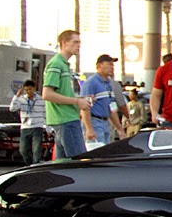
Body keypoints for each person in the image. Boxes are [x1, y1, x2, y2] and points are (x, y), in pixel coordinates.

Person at [42, 29, 91, 159]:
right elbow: (47, 94)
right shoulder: (56, 64)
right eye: (75, 42)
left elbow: (61, 93)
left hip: (65, 120)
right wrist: (77, 102)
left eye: (79, 42)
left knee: (63, 164)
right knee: (78, 162)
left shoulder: (63, 65)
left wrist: (81, 100)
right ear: (64, 43)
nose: (78, 45)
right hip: (66, 120)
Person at [80, 54, 126, 146]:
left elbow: (112, 109)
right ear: (99, 66)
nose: (111, 67)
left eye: (112, 65)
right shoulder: (91, 83)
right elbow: (85, 107)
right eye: (108, 64)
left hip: (106, 123)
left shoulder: (108, 84)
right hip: (94, 121)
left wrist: (120, 129)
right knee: (96, 152)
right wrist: (89, 129)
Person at [9, 79, 47, 164]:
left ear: (34, 88)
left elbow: (45, 114)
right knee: (23, 150)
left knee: (37, 149)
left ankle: (36, 164)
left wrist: (48, 128)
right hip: (25, 127)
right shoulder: (22, 99)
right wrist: (16, 96)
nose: (28, 91)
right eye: (26, 90)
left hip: (37, 126)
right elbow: (12, 109)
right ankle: (30, 164)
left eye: (30, 89)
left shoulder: (41, 99)